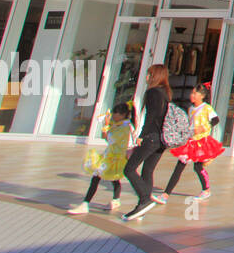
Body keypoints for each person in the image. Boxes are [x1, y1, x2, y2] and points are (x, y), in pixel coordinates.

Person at [153, 83, 224, 203]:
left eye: (194, 93)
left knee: (198, 167)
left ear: (201, 96)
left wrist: (204, 127)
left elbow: (215, 120)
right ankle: (166, 194)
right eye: (191, 93)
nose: (191, 95)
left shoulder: (206, 108)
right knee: (179, 167)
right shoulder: (190, 108)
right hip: (190, 141)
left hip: (201, 142)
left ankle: (206, 190)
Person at [122, 63, 172, 220]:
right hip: (162, 139)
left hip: (151, 137)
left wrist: (141, 136)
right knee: (148, 170)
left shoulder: (153, 92)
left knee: (129, 169)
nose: (146, 77)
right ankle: (142, 207)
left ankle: (145, 199)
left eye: (149, 74)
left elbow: (151, 117)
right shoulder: (166, 93)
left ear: (155, 76)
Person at [68, 102, 134, 215]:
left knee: (98, 178)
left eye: (115, 114)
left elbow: (110, 138)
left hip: (114, 158)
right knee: (113, 178)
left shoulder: (124, 127)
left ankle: (86, 203)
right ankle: (115, 200)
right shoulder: (120, 125)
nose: (113, 116)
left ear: (122, 115)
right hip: (110, 156)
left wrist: (106, 125)